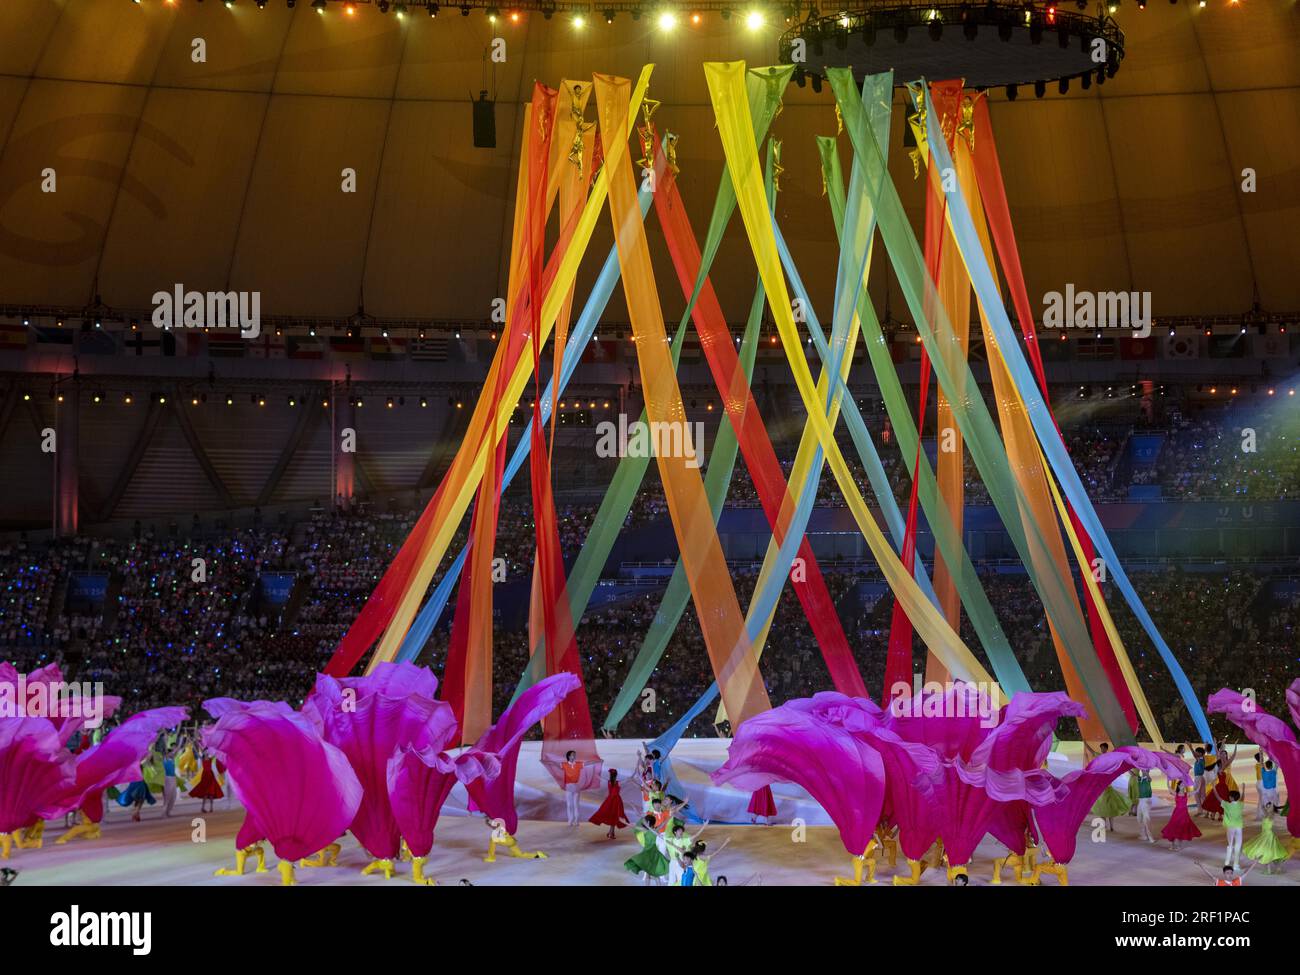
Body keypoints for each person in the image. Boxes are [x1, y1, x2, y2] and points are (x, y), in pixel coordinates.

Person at [1086, 743, 1129, 832]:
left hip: (1107, 784)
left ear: (1106, 748)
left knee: (1110, 808)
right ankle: (1104, 825)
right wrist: (1086, 744)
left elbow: (1116, 762)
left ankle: (1111, 826)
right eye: (1101, 748)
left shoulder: (1110, 756)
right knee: (1102, 807)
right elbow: (1092, 751)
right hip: (1102, 783)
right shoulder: (1100, 756)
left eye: (1103, 748)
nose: (1102, 749)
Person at [1242, 803, 1290, 875]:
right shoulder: (1267, 813)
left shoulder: (1271, 815)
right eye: (1267, 807)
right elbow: (1263, 808)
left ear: (1272, 808)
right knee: (1268, 853)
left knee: (1266, 853)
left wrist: (1272, 808)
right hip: (1264, 834)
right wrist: (1266, 806)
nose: (1267, 808)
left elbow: (1272, 812)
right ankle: (1274, 869)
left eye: (1269, 807)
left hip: (1268, 836)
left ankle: (1272, 869)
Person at [624, 814, 670, 885]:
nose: (643, 822)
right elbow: (664, 823)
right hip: (654, 853)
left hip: (648, 852)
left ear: (648, 822)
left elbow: (633, 826)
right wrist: (669, 816)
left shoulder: (645, 830)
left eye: (645, 821)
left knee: (650, 873)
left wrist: (625, 823)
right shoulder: (656, 829)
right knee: (654, 874)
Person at [588, 768, 629, 839]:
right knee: (615, 816)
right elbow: (628, 780)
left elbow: (599, 777)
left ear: (610, 775)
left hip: (610, 800)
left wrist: (594, 772)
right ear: (616, 775)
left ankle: (611, 833)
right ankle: (611, 833)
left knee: (611, 815)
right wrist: (635, 773)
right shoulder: (618, 783)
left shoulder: (608, 782)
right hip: (616, 801)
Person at [1161, 779, 1201, 850]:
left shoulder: (1187, 794)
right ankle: (1172, 845)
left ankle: (1179, 845)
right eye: (1182, 784)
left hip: (1184, 814)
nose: (1183, 785)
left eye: (1184, 784)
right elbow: (1169, 788)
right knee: (1173, 827)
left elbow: (1196, 791)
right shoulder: (1176, 794)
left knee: (1182, 829)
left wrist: (1199, 783)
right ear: (1179, 786)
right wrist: (1167, 779)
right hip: (1176, 813)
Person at [1221, 789, 1245, 872]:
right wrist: (1243, 789)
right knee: (1238, 845)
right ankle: (1236, 865)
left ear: (1231, 797)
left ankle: (1227, 863)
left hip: (1231, 827)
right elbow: (1242, 799)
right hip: (1239, 827)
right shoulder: (1240, 805)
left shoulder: (1227, 805)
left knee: (1230, 845)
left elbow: (1218, 798)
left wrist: (1214, 788)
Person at [561, 750, 584, 827]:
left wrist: (598, 761)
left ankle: (577, 820)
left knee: (576, 804)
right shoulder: (564, 764)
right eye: (572, 755)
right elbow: (553, 765)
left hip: (576, 786)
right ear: (568, 756)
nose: (574, 756)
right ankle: (570, 820)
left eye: (574, 755)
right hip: (568, 786)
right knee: (569, 805)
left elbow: (588, 764)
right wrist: (545, 761)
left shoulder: (578, 764)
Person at [1135, 771, 1155, 843]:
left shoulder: (1148, 778)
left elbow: (1149, 778)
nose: (1143, 770)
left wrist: (1146, 770)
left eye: (1145, 770)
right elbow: (1133, 775)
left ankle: (1150, 838)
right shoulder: (1140, 778)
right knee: (1139, 818)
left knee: (1146, 819)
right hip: (1140, 801)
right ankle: (1143, 835)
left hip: (1146, 801)